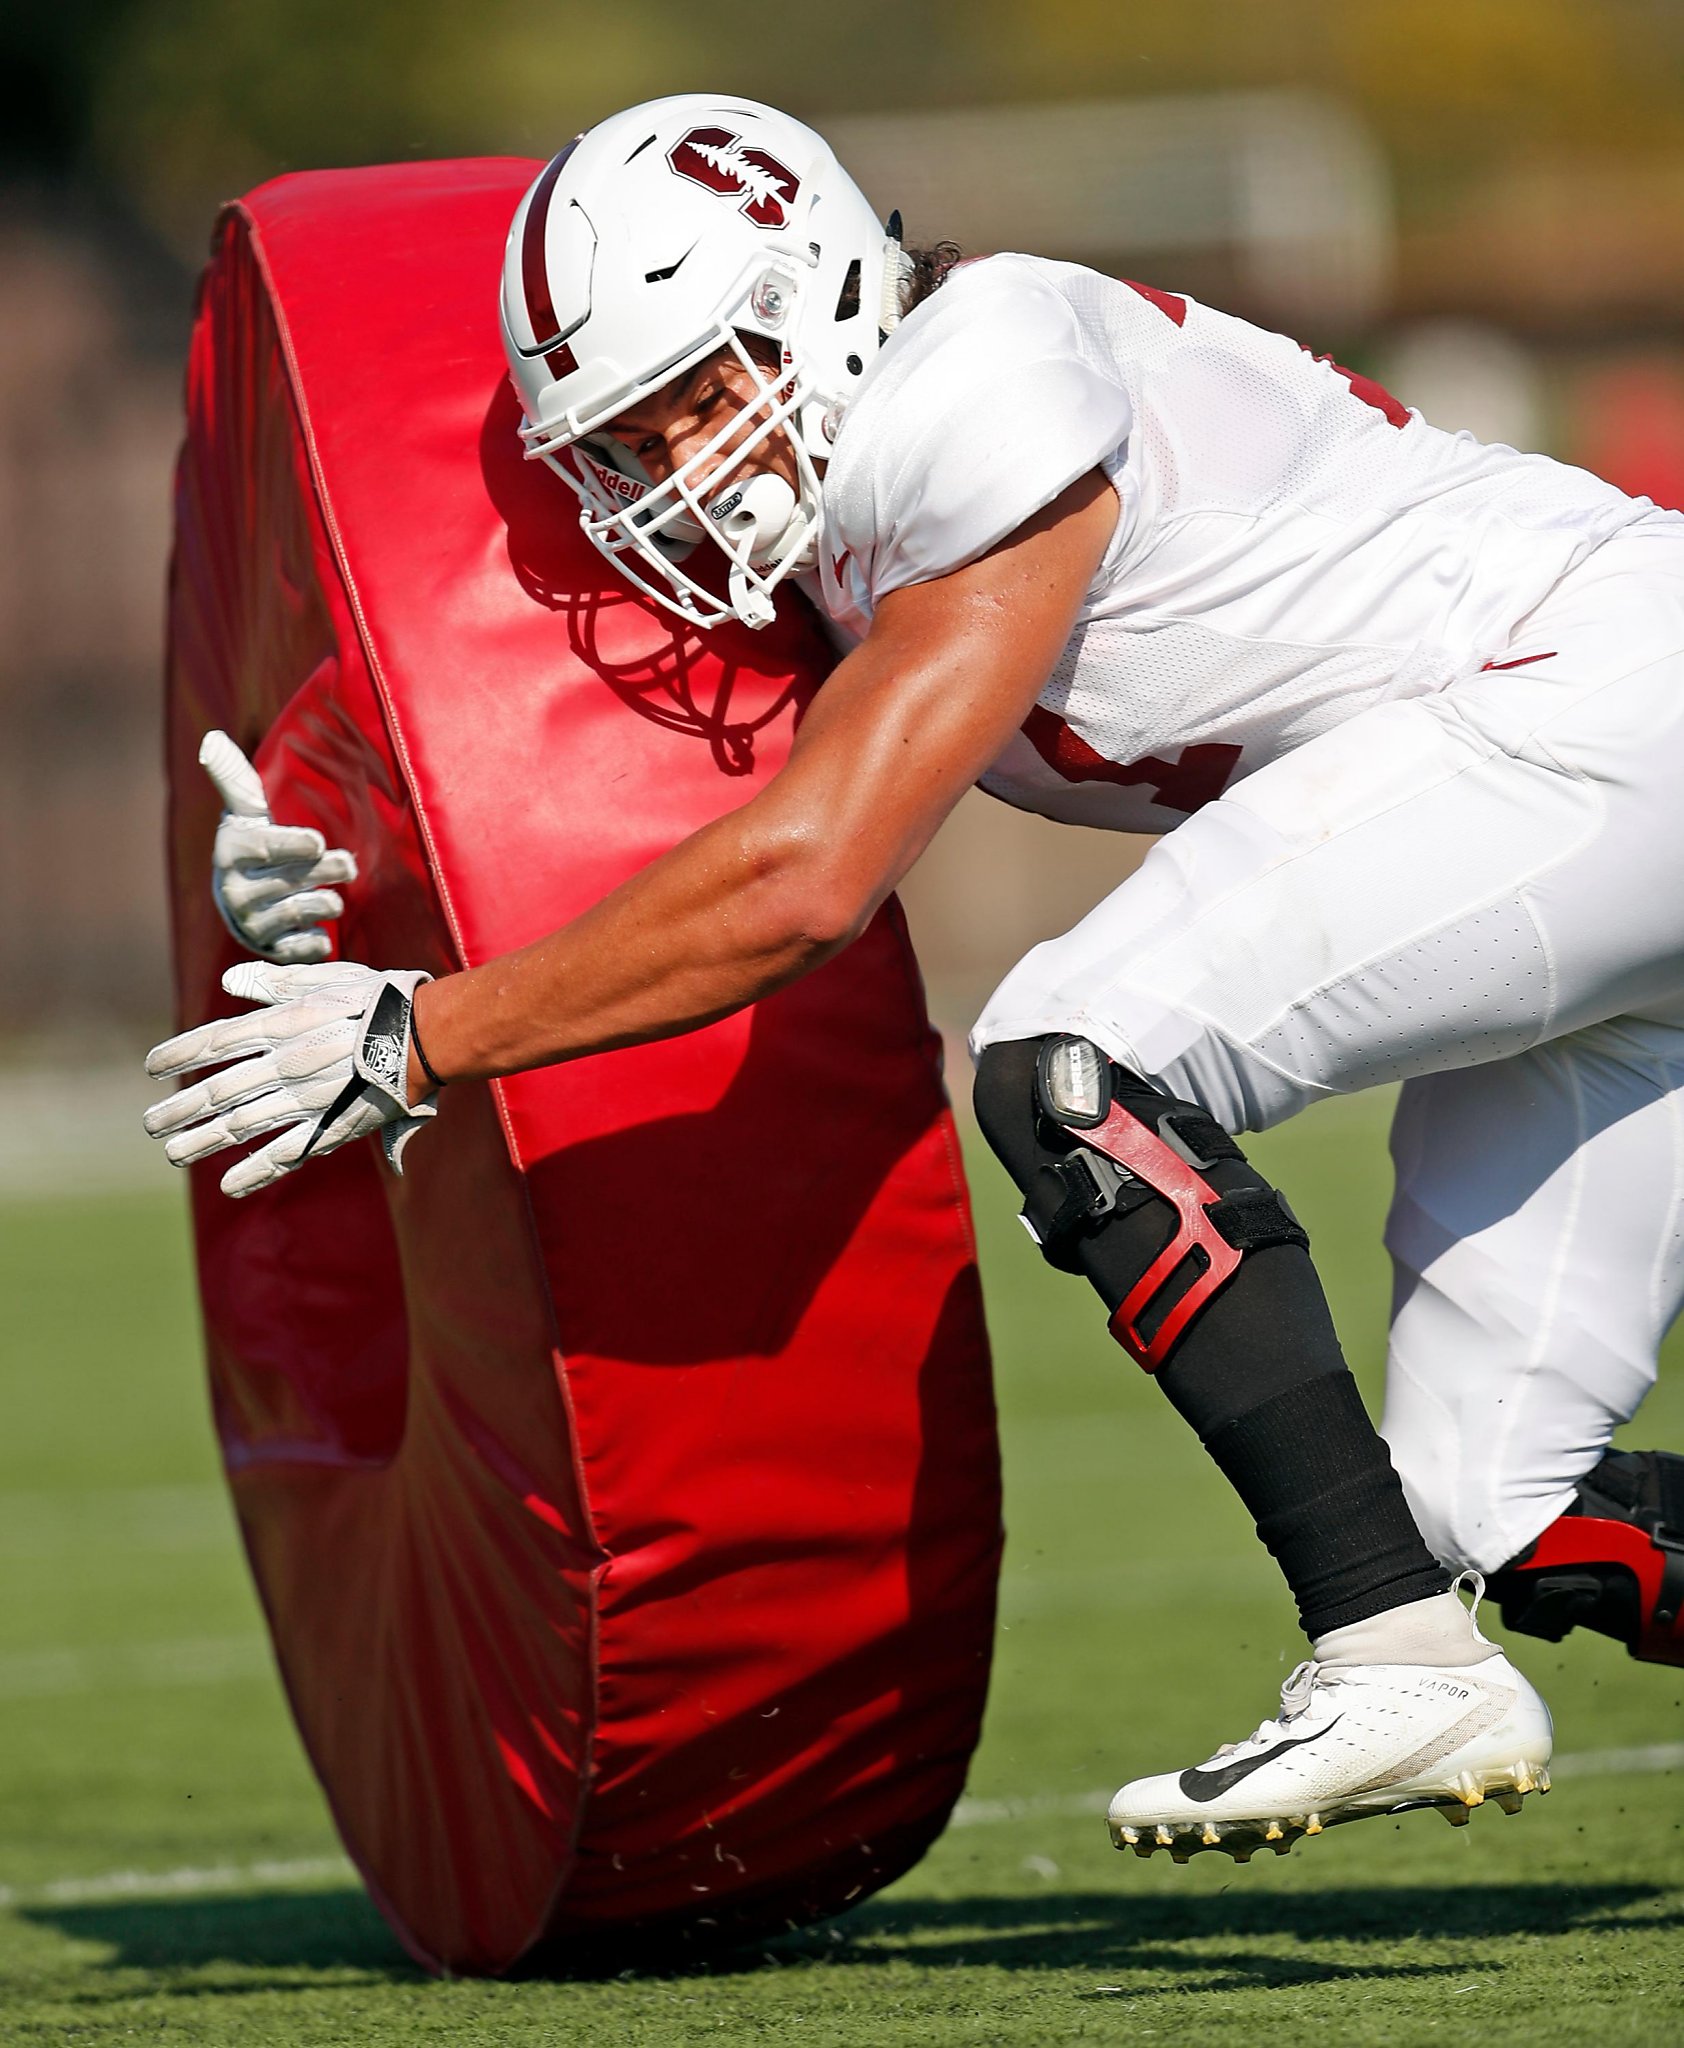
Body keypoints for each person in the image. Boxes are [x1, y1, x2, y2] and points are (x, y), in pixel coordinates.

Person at [144, 92, 1684, 1866]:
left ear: (817, 291)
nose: (678, 467)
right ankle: (1424, 1609)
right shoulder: (847, 521)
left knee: (1074, 1057)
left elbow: (803, 879)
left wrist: (422, 1037)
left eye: (703, 393)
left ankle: (1388, 1654)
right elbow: (571, 793)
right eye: (627, 438)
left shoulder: (982, 372)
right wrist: (333, 847)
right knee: (1492, 1508)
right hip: (1583, 799)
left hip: (1596, 706)